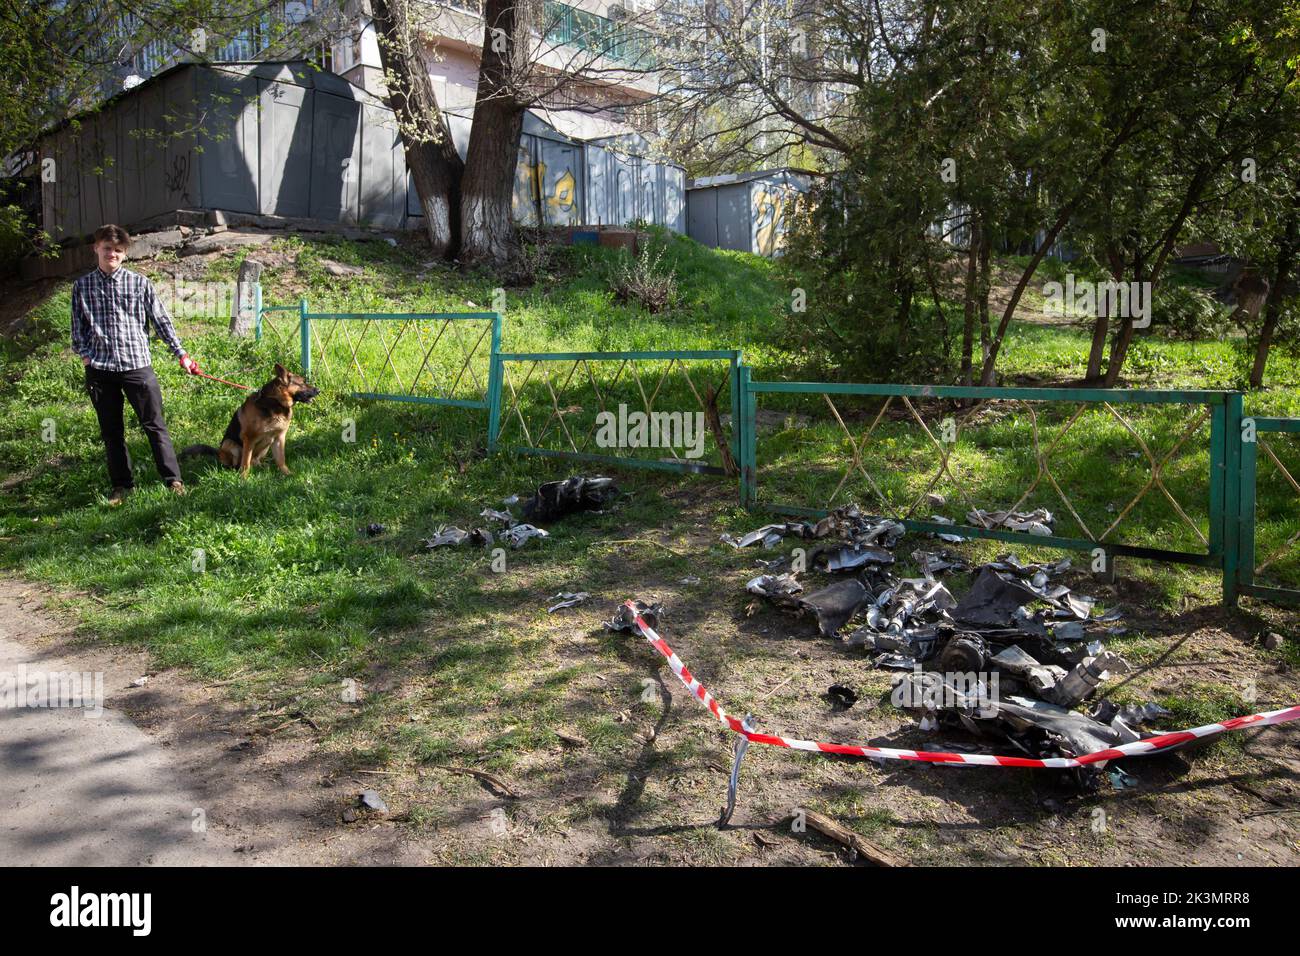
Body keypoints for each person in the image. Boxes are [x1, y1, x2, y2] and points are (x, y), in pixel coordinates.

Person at [72, 223, 202, 505]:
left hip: (137, 366)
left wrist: (182, 355)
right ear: (97, 248)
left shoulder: (140, 283)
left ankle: (173, 481)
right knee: (112, 432)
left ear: (125, 254)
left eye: (118, 251)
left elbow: (161, 322)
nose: (112, 254)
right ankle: (121, 486)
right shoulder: (82, 287)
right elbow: (77, 329)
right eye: (107, 249)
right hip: (100, 370)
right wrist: (85, 356)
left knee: (155, 425)